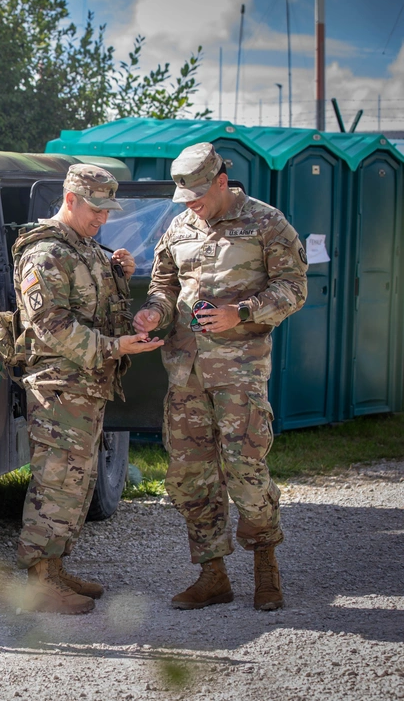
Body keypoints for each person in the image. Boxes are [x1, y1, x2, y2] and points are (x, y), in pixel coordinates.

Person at [133, 142, 308, 612]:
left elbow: (294, 287)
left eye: (197, 193)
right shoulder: (180, 226)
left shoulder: (266, 222)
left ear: (220, 181)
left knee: (245, 470)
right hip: (185, 373)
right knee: (190, 476)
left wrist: (243, 312)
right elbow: (164, 284)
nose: (190, 202)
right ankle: (213, 576)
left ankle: (265, 567)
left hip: (239, 374)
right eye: (183, 195)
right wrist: (153, 311)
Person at [12, 163, 163, 614]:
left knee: (77, 483)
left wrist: (121, 272)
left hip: (86, 387)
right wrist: (116, 345)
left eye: (107, 210)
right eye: (95, 208)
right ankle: (39, 581)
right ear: (71, 199)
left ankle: (55, 569)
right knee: (55, 481)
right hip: (59, 387)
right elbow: (52, 328)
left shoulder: (85, 248)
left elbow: (99, 307)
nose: (102, 218)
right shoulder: (46, 254)